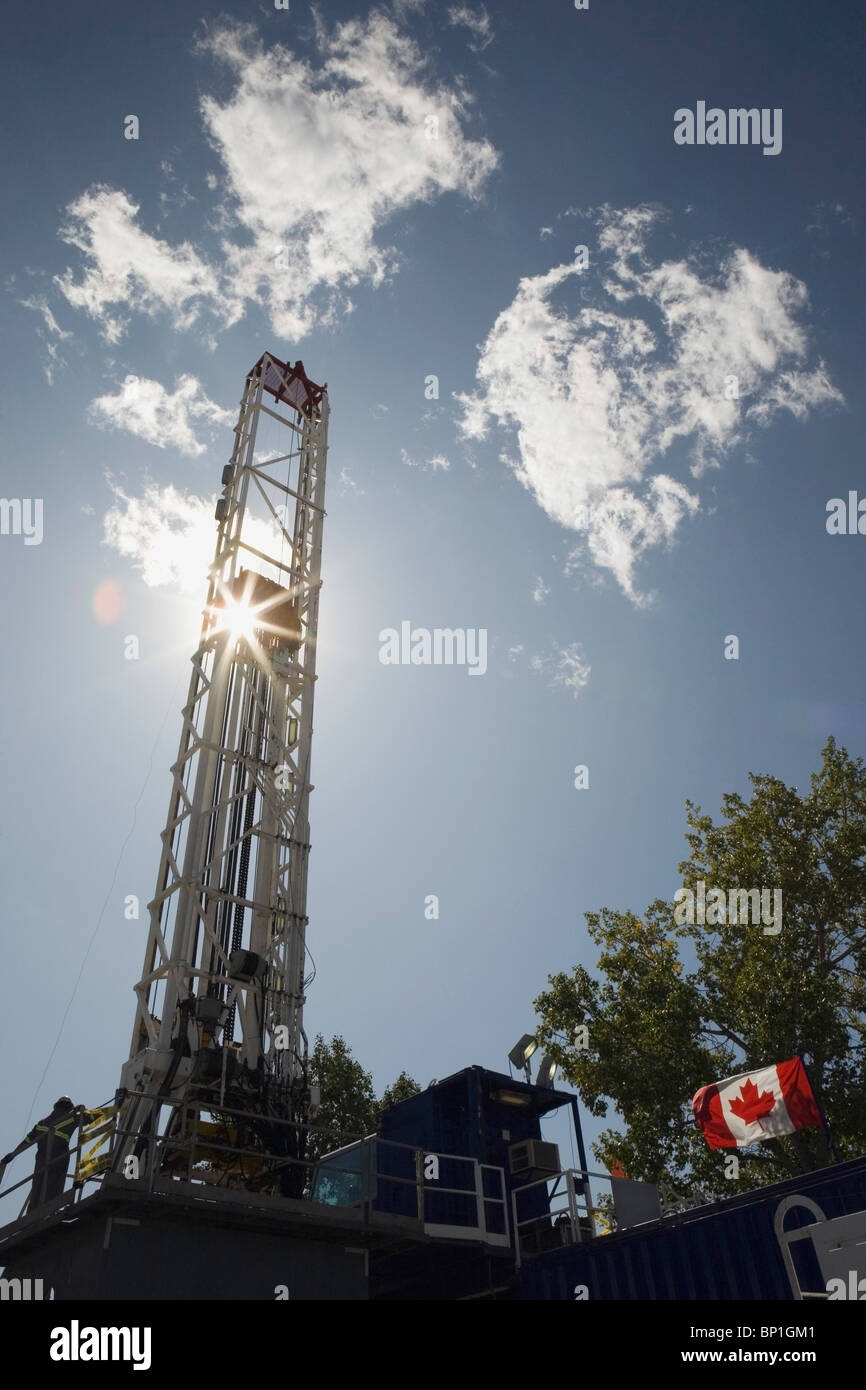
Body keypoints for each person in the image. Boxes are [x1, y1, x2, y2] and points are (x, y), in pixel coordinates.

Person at [0, 1096, 89, 1211]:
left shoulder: (42, 1123)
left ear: (56, 1106)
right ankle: (51, 1210)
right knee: (54, 1186)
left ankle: (32, 1214)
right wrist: (83, 1110)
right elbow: (90, 1118)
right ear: (70, 1107)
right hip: (59, 1159)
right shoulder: (72, 1118)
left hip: (41, 1161)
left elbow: (27, 1140)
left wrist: (13, 1154)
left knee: (38, 1187)